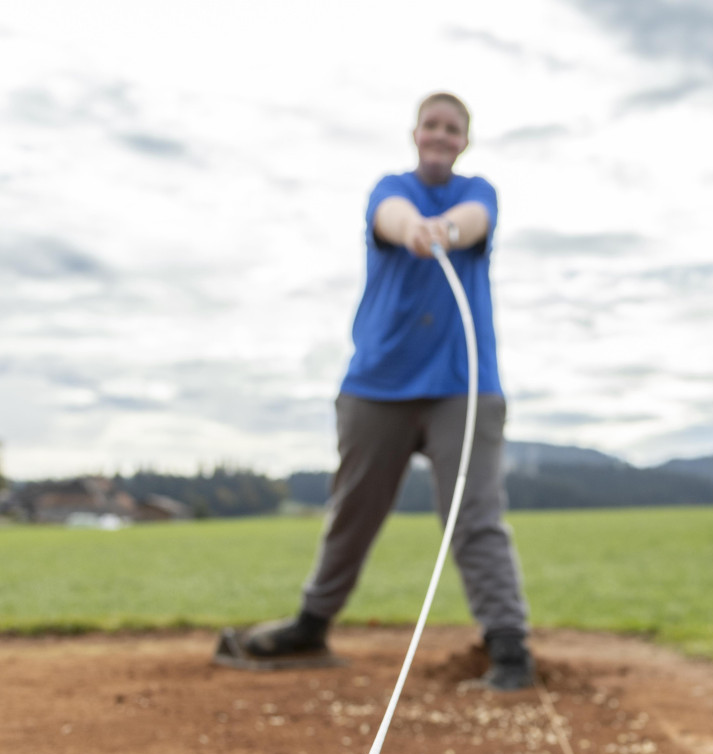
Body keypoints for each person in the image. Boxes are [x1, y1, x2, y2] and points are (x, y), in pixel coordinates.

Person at [222, 92, 535, 691]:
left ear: (464, 141)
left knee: (475, 516)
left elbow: (475, 223)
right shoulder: (389, 189)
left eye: (453, 129)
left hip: (463, 387)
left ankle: (509, 650)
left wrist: (444, 229)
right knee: (355, 510)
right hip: (377, 384)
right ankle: (311, 625)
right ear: (416, 133)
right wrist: (412, 229)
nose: (441, 136)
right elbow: (388, 214)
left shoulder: (478, 192)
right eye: (432, 125)